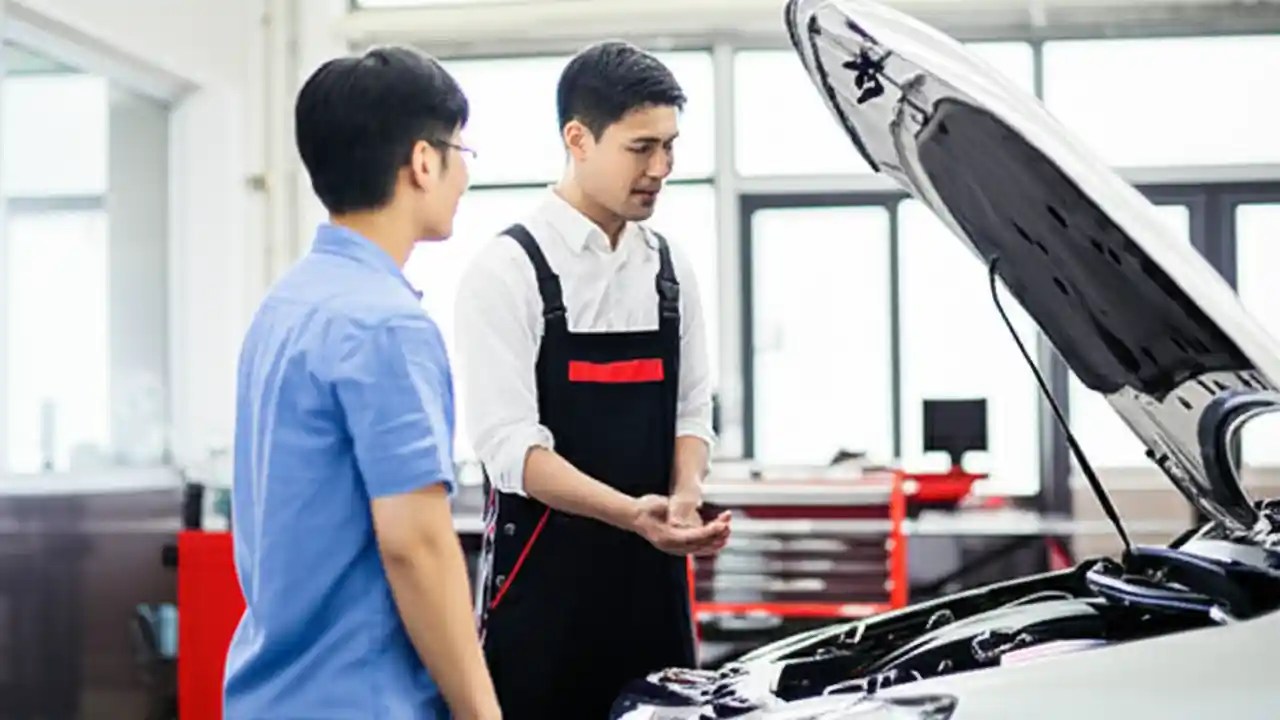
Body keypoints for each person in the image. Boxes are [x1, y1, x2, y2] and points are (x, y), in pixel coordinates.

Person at [454, 40, 731, 719]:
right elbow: (511, 451)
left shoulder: (670, 270)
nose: (661, 169)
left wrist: (685, 497)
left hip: (654, 594)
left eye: (670, 147)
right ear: (578, 139)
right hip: (541, 603)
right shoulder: (507, 272)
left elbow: (691, 411)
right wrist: (632, 514)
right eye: (641, 148)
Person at [223, 46, 501, 720]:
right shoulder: (387, 326)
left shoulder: (287, 304)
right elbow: (416, 546)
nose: (465, 174)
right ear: (424, 161)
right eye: (461, 150)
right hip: (363, 700)